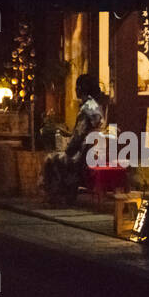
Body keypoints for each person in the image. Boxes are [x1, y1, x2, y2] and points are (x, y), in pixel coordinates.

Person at [45, 73, 109, 205]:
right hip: (94, 151)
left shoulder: (86, 109)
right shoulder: (96, 106)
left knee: (51, 159)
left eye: (76, 87)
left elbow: (78, 136)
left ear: (80, 89)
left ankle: (59, 196)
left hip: (82, 154)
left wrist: (67, 150)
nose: (75, 90)